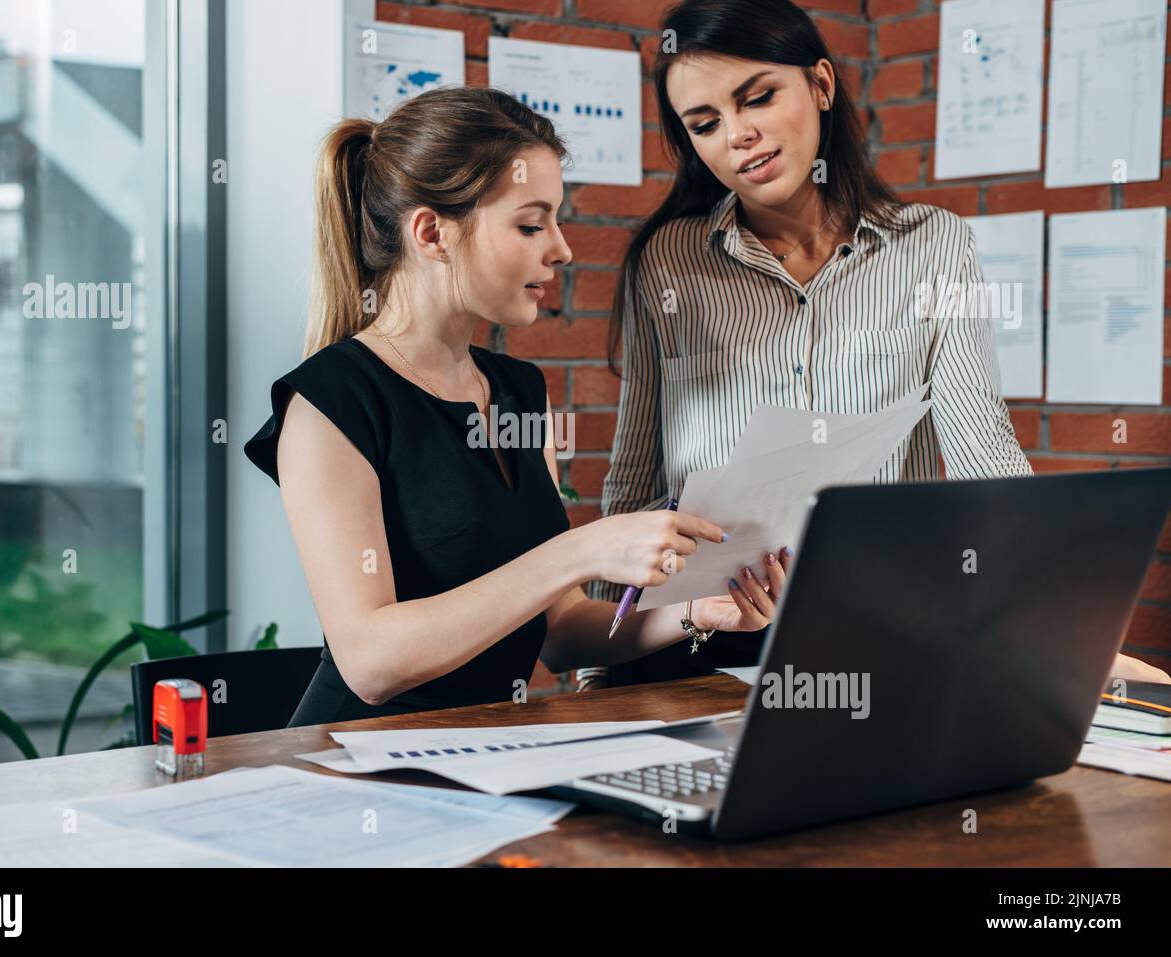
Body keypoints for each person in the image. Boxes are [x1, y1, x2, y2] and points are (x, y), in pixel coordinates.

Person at [579, 0, 1168, 690]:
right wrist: (602, 663)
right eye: (705, 124)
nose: (738, 136)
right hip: (705, 638)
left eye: (758, 98)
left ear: (821, 85)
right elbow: (634, 477)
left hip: (884, 631)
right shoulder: (668, 261)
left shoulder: (934, 246)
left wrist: (1061, 632)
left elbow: (987, 459)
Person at [244, 87, 792, 726]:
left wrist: (694, 613)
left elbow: (559, 632)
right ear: (431, 233)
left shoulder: (519, 391)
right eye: (531, 224)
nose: (560, 250)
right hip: (355, 762)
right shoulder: (330, 403)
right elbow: (370, 662)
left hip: (489, 751)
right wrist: (580, 551)